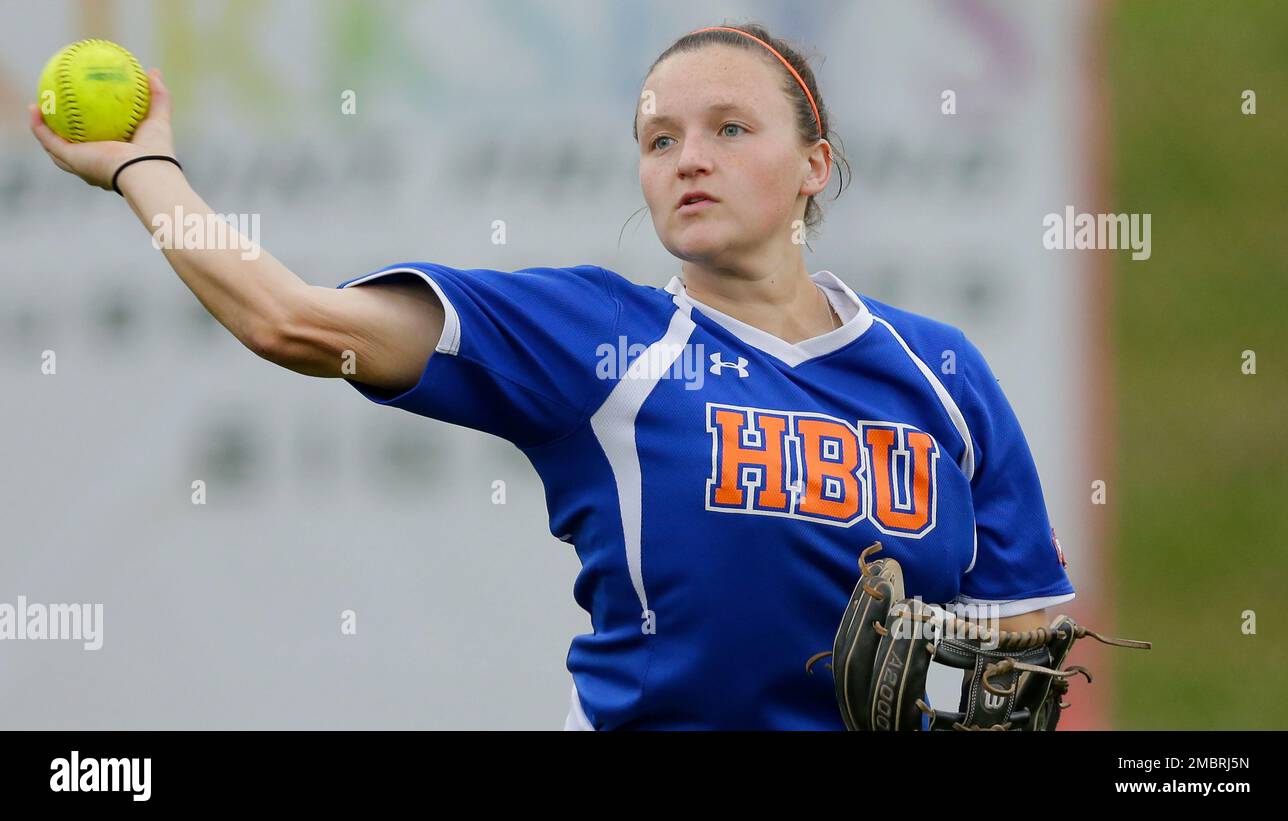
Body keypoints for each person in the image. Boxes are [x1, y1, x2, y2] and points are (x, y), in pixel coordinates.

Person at [30, 23, 1074, 730]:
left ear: (813, 163)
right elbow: (291, 320)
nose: (686, 158)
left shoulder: (937, 373)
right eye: (659, 138)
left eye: (728, 129)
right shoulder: (596, 335)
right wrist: (142, 168)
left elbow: (1022, 654)